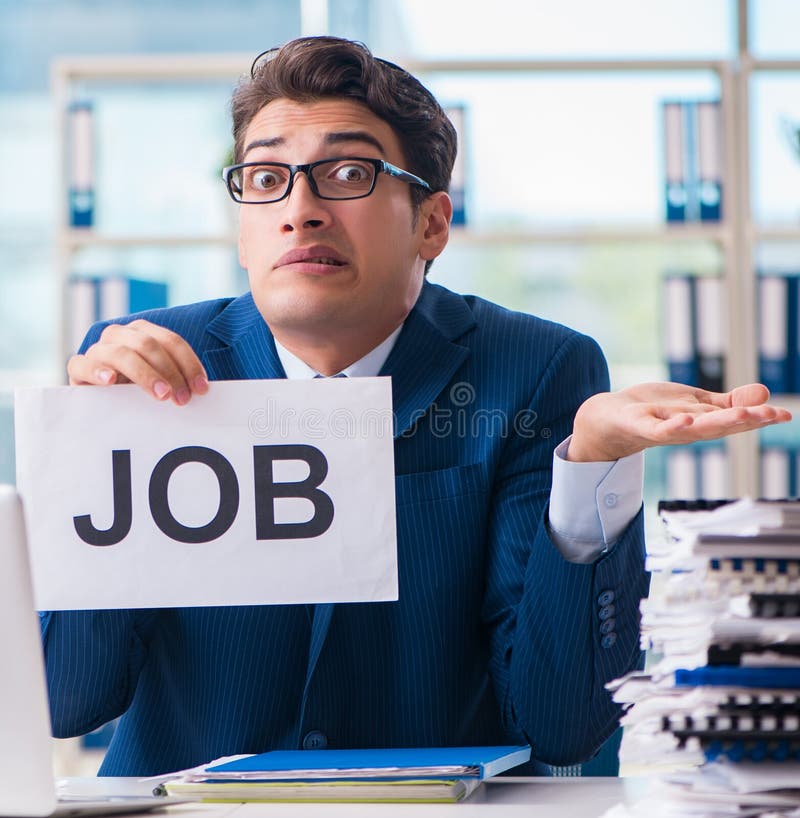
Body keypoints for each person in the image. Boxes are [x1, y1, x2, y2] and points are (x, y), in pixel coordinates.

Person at [44, 36, 789, 778]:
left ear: (430, 223)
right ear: (243, 229)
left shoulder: (534, 371)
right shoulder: (150, 371)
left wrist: (592, 472)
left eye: (348, 173)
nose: (299, 210)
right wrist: (98, 447)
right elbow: (66, 700)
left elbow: (561, 725)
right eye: (266, 177)